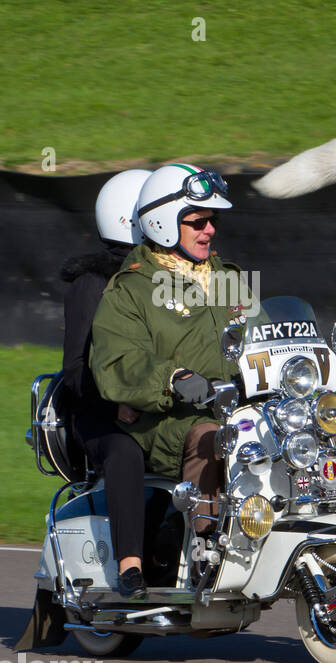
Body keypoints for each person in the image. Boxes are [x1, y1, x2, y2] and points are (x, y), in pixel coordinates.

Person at [90, 163, 243, 539]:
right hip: (169, 419)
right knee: (212, 436)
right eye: (198, 222)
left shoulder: (228, 279)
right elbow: (117, 361)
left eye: (212, 221)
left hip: (234, 407)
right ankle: (206, 545)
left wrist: (307, 362)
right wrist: (172, 378)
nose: (209, 229)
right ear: (161, 222)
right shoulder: (131, 289)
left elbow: (266, 335)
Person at [61, 170, 152, 597]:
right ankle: (129, 565)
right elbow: (75, 370)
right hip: (99, 417)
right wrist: (116, 402)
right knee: (125, 451)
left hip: (157, 406)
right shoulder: (92, 284)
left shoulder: (173, 277)